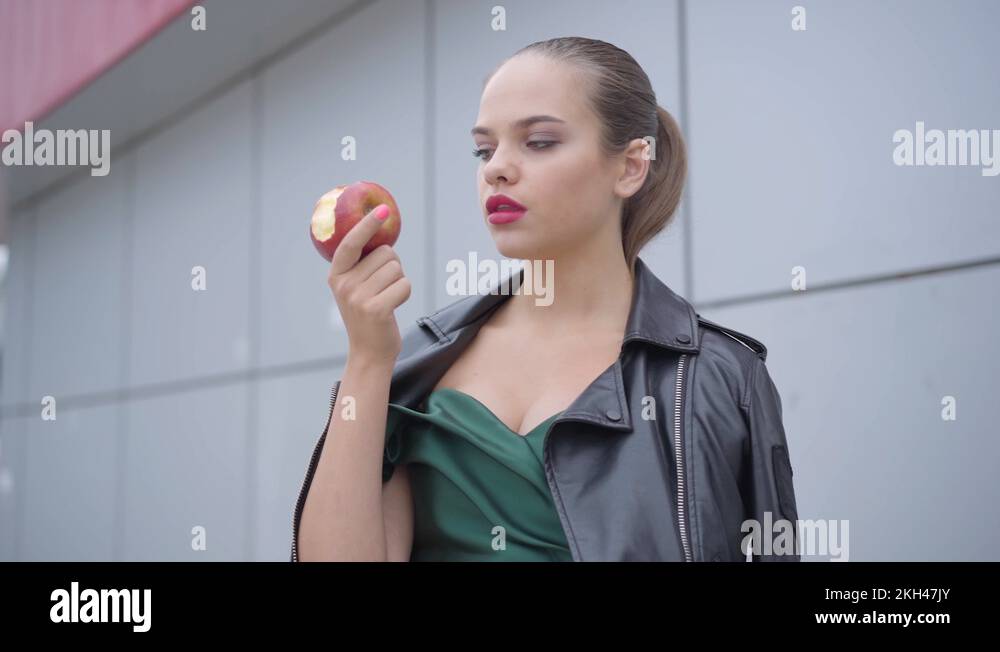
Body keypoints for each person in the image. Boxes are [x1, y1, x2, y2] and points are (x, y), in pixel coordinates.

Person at [292, 36, 799, 562]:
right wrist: (369, 360)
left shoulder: (721, 378)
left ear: (629, 167)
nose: (496, 169)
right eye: (484, 149)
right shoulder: (418, 360)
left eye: (538, 142)